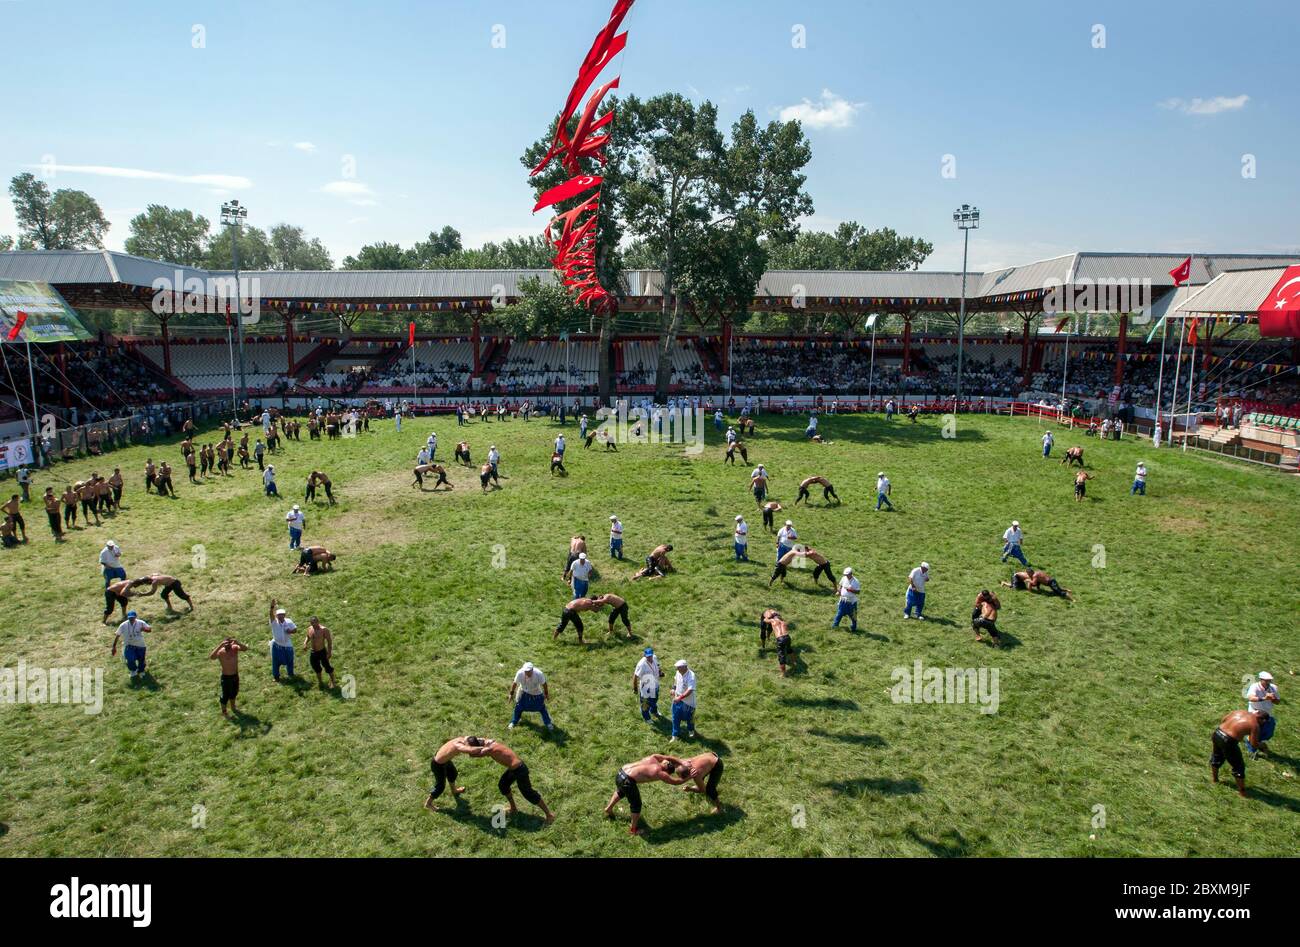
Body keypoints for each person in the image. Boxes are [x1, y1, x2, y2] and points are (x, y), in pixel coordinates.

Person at [604, 754, 689, 835]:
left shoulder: (653, 757)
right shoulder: (660, 773)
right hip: (627, 781)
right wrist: (689, 777)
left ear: (664, 762)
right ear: (667, 771)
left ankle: (609, 809)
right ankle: (633, 830)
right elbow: (675, 782)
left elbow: (668, 757)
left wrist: (681, 761)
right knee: (636, 805)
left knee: (621, 791)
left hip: (620, 772)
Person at [478, 738, 557, 823]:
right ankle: (513, 809)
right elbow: (481, 739)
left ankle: (549, 815)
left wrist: (463, 746)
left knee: (528, 793)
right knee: (503, 785)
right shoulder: (490, 741)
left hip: (519, 770)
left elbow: (474, 754)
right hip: (514, 769)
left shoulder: (488, 749)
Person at [424, 736, 485, 811]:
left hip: (445, 760)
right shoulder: (459, 745)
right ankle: (428, 803)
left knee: (453, 773)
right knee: (440, 786)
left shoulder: (464, 739)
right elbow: (469, 750)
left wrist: (485, 741)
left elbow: (477, 739)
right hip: (438, 764)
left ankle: (454, 790)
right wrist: (483, 748)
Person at [1210, 709, 1260, 798]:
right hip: (1228, 740)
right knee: (1238, 766)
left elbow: (1223, 719)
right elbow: (1253, 744)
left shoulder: (1240, 711)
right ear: (1262, 720)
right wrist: (1262, 746)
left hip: (1217, 732)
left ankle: (1214, 779)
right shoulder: (1255, 724)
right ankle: (1242, 793)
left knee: (1217, 756)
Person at [209, 638, 249, 717]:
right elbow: (212, 657)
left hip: (235, 675)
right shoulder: (220, 652)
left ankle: (233, 707)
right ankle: (224, 711)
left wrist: (238, 642)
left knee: (234, 692)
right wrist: (220, 645)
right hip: (226, 677)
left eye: (229, 643)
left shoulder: (234, 648)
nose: (228, 645)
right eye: (226, 644)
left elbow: (245, 649)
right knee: (225, 695)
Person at [509, 662, 553, 730]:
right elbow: (515, 683)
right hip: (523, 691)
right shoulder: (520, 673)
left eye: (529, 671)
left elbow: (544, 684)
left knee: (541, 708)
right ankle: (514, 722)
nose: (527, 673)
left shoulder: (539, 674)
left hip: (536, 692)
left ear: (532, 669)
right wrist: (511, 694)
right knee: (518, 707)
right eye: (526, 671)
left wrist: (546, 694)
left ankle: (548, 723)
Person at [1244, 671, 1279, 754]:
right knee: (1255, 731)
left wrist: (1273, 699)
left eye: (1269, 680)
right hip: (1256, 712)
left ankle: (1255, 742)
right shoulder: (1254, 686)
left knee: (1269, 732)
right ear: (1261, 680)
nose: (1268, 682)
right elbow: (1251, 698)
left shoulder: (1273, 688)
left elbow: (1278, 702)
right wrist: (1264, 698)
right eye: (1266, 680)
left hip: (1267, 713)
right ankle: (1252, 751)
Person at [111, 610, 151, 680]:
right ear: (127, 618)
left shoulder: (141, 623)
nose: (131, 619)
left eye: (133, 618)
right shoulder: (123, 625)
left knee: (141, 659)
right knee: (130, 659)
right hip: (129, 645)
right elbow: (117, 635)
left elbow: (149, 630)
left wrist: (144, 629)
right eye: (130, 618)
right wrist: (114, 647)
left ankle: (141, 671)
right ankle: (133, 670)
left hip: (140, 645)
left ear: (135, 617)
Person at [129, 573, 194, 613]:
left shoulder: (154, 582)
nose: (148, 584)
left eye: (147, 583)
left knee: (182, 595)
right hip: (169, 584)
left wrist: (142, 594)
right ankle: (169, 606)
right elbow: (154, 575)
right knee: (163, 595)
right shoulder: (152, 575)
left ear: (149, 581)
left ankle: (191, 607)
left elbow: (152, 592)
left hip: (175, 583)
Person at [304, 616, 337, 689]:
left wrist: (329, 652)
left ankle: (333, 681)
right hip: (313, 652)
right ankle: (320, 681)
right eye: (312, 623)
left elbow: (329, 641)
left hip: (322, 651)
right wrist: (305, 643)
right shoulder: (310, 629)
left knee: (327, 667)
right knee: (316, 667)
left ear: (318, 622)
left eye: (315, 622)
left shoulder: (324, 630)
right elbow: (308, 636)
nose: (313, 624)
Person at [1001, 568, 1073, 601]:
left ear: (1031, 573)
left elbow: (1034, 583)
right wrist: (1031, 585)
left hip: (1050, 582)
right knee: (1015, 588)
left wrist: (1029, 581)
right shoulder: (1036, 572)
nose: (1028, 574)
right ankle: (1004, 583)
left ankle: (1068, 595)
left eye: (1028, 573)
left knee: (1058, 591)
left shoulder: (1034, 576)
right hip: (1016, 577)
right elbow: (1035, 583)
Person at [269, 599, 297, 681]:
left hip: (287, 644)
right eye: (279, 615)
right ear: (276, 616)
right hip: (277, 644)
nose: (280, 616)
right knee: (275, 662)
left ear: (284, 615)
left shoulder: (288, 621)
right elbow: (271, 615)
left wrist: (290, 631)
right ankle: (276, 677)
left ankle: (290, 673)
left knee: (290, 660)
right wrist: (272, 607)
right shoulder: (274, 622)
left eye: (282, 614)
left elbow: (295, 629)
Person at [761, 608, 794, 676]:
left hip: (780, 639)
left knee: (781, 656)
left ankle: (783, 673)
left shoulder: (773, 620)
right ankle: (794, 662)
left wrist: (768, 615)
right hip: (787, 637)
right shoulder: (783, 622)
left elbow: (765, 620)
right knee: (789, 649)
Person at [633, 647, 663, 721]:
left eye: (651, 656)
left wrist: (660, 672)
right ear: (644, 655)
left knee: (654, 699)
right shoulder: (641, 664)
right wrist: (635, 688)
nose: (649, 658)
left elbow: (658, 666)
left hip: (655, 684)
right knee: (645, 703)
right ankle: (647, 718)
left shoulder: (655, 658)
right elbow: (635, 676)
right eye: (648, 656)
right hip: (646, 686)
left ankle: (653, 711)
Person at [671, 659, 696, 742]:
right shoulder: (678, 672)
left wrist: (680, 698)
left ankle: (691, 730)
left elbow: (690, 690)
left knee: (690, 717)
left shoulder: (691, 675)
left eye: (679, 667)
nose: (677, 669)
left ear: (684, 667)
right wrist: (673, 689)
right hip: (677, 699)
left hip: (688, 702)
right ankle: (675, 735)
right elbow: (675, 681)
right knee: (675, 717)